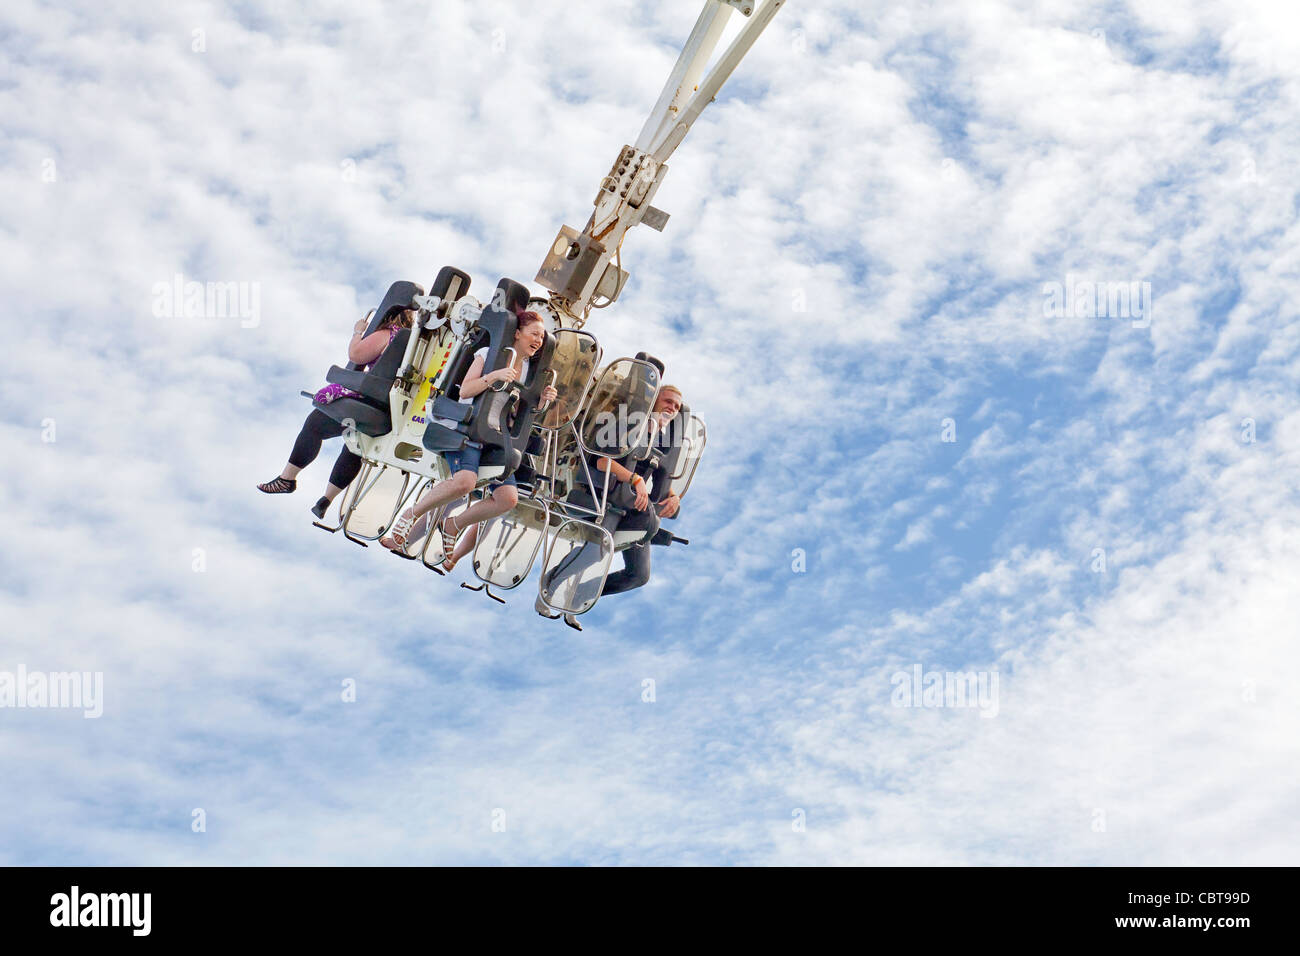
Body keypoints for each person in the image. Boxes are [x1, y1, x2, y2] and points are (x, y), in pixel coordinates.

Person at [380, 310, 557, 558]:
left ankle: (454, 525)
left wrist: (541, 402)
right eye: (534, 333)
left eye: (542, 336)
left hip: (494, 435)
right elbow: (465, 390)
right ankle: (412, 513)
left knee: (508, 499)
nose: (539, 340)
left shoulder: (527, 369)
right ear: (517, 334)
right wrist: (494, 376)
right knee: (465, 483)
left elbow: (515, 408)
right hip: (466, 427)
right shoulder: (489, 355)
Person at [537, 385, 685, 625]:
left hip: (631, 505)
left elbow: (655, 475)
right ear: (654, 401)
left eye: (676, 407)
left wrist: (673, 496)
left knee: (638, 575)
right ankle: (548, 588)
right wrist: (634, 480)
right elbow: (601, 461)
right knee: (596, 551)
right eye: (667, 401)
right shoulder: (629, 425)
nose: (671, 408)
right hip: (604, 495)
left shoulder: (663, 442)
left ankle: (577, 596)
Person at [257, 308, 414, 517]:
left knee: (315, 424)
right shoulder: (418, 344)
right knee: (356, 446)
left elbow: (356, 355)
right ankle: (326, 500)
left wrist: (358, 332)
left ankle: (286, 478)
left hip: (369, 400)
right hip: (393, 411)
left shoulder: (390, 334)